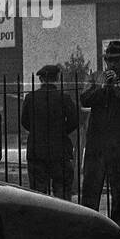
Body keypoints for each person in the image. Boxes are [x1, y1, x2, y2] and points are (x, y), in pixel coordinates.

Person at [80, 41, 120, 238]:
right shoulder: (94, 78)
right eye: (109, 60)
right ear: (105, 60)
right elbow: (85, 99)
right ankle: (89, 229)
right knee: (91, 187)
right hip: (96, 142)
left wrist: (114, 88)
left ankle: (118, 231)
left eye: (117, 60)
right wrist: (103, 87)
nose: (113, 64)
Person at [20, 63, 79, 200]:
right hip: (59, 149)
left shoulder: (30, 98)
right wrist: (61, 131)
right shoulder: (64, 98)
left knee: (38, 193)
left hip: (37, 149)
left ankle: (41, 220)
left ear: (41, 80)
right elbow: (74, 121)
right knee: (62, 190)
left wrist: (37, 131)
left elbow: (25, 122)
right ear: (57, 78)